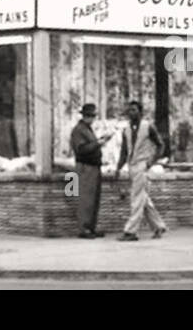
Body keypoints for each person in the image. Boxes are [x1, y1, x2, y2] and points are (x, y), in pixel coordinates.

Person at [117, 100, 168, 240]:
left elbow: (160, 145)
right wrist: (119, 166)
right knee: (143, 199)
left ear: (140, 112)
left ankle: (131, 231)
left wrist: (151, 161)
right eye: (129, 110)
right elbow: (124, 150)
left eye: (134, 110)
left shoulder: (148, 127)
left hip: (142, 165)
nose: (131, 113)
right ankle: (158, 226)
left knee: (136, 198)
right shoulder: (126, 129)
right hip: (132, 165)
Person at [70, 104, 112, 239]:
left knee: (94, 198)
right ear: (84, 116)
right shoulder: (78, 130)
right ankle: (84, 228)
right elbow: (81, 149)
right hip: (85, 166)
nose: (92, 118)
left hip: (93, 166)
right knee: (86, 198)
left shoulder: (87, 129)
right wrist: (98, 143)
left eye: (93, 116)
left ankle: (91, 227)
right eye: (89, 115)